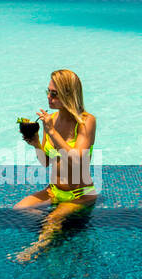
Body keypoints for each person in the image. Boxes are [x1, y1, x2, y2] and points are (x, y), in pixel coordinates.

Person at [13, 69, 98, 261]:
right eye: (48, 92)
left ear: (68, 95)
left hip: (79, 195)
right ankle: (63, 225)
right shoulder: (50, 120)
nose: (49, 97)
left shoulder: (86, 122)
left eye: (54, 93)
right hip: (53, 190)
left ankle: (35, 250)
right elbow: (46, 162)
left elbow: (77, 160)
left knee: (52, 219)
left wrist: (51, 132)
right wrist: (36, 144)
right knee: (19, 208)